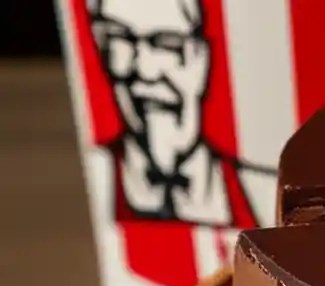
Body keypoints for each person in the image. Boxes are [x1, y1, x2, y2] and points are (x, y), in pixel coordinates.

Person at [87, 0, 273, 227]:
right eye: (120, 39)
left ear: (200, 60)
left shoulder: (264, 191)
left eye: (168, 44)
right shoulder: (90, 178)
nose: (146, 70)